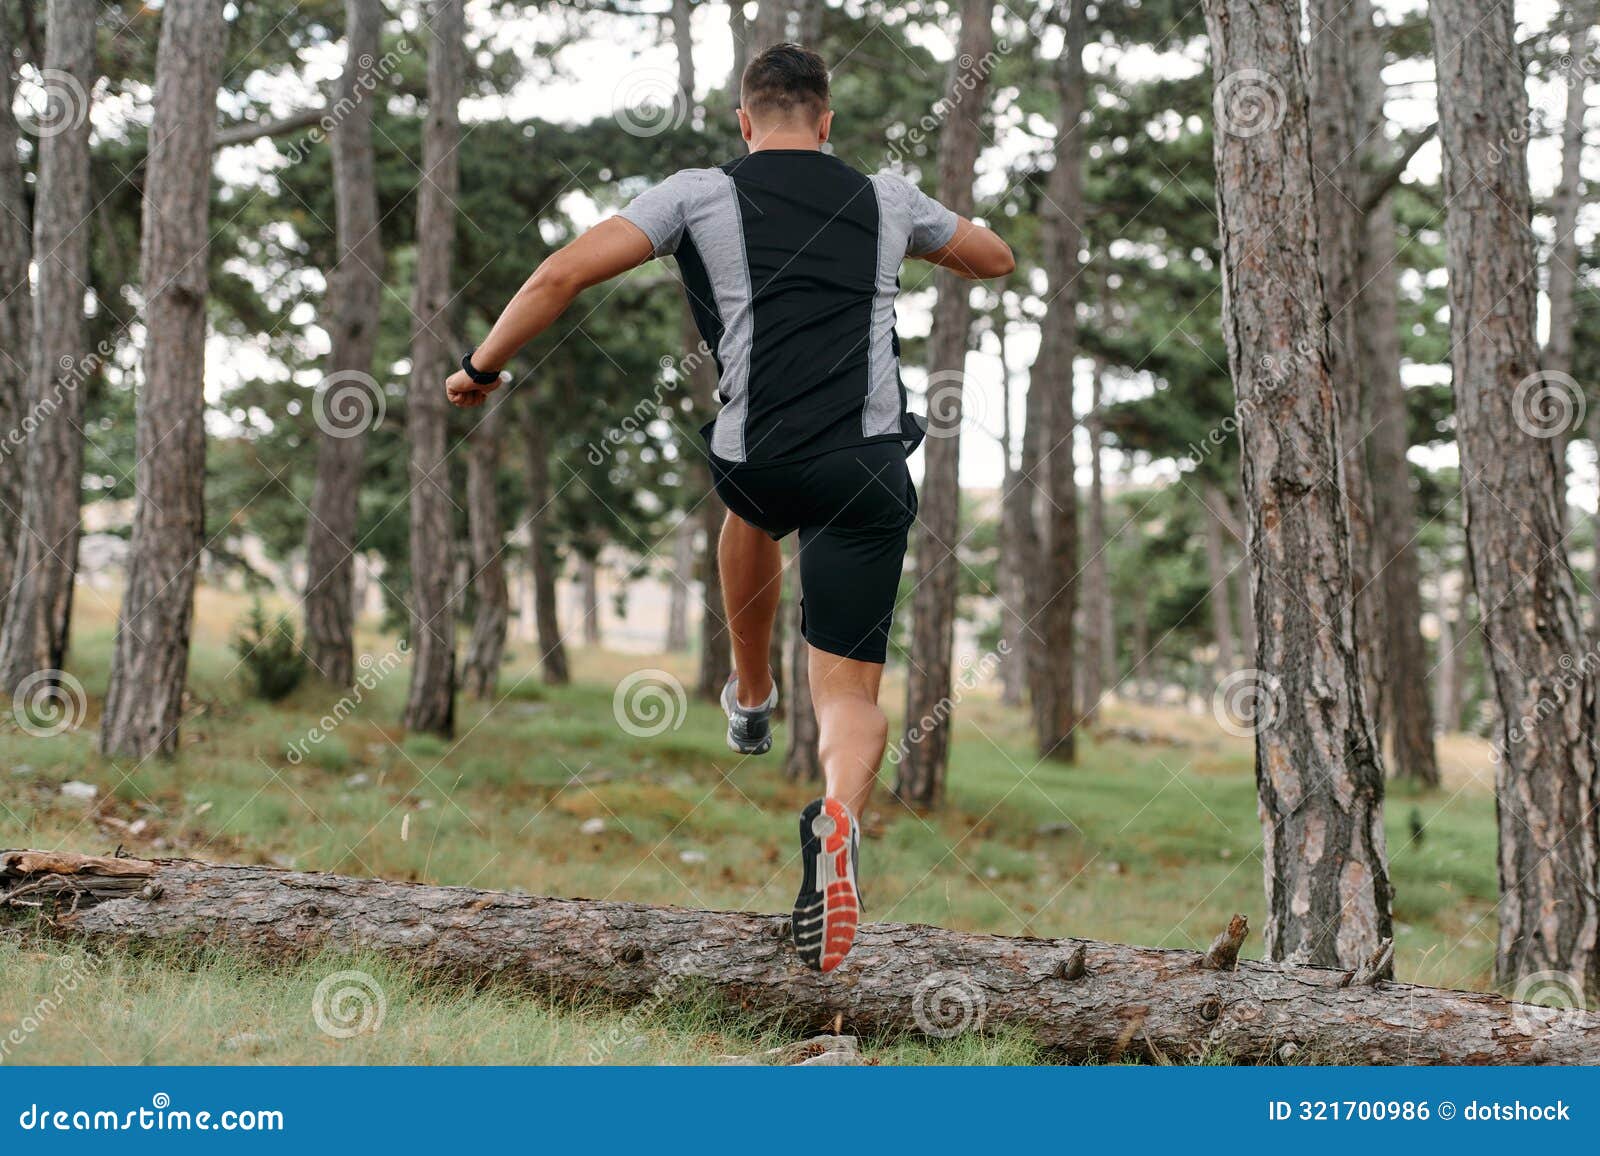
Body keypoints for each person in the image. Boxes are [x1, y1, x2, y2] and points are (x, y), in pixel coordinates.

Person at [446, 43, 1013, 972]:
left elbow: (560, 276)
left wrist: (481, 367)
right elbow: (994, 257)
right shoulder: (885, 196)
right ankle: (836, 815)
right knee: (852, 694)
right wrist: (927, 229)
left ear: (747, 122)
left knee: (749, 506)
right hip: (866, 472)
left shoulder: (696, 192)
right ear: (826, 123)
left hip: (756, 460)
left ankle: (750, 696)